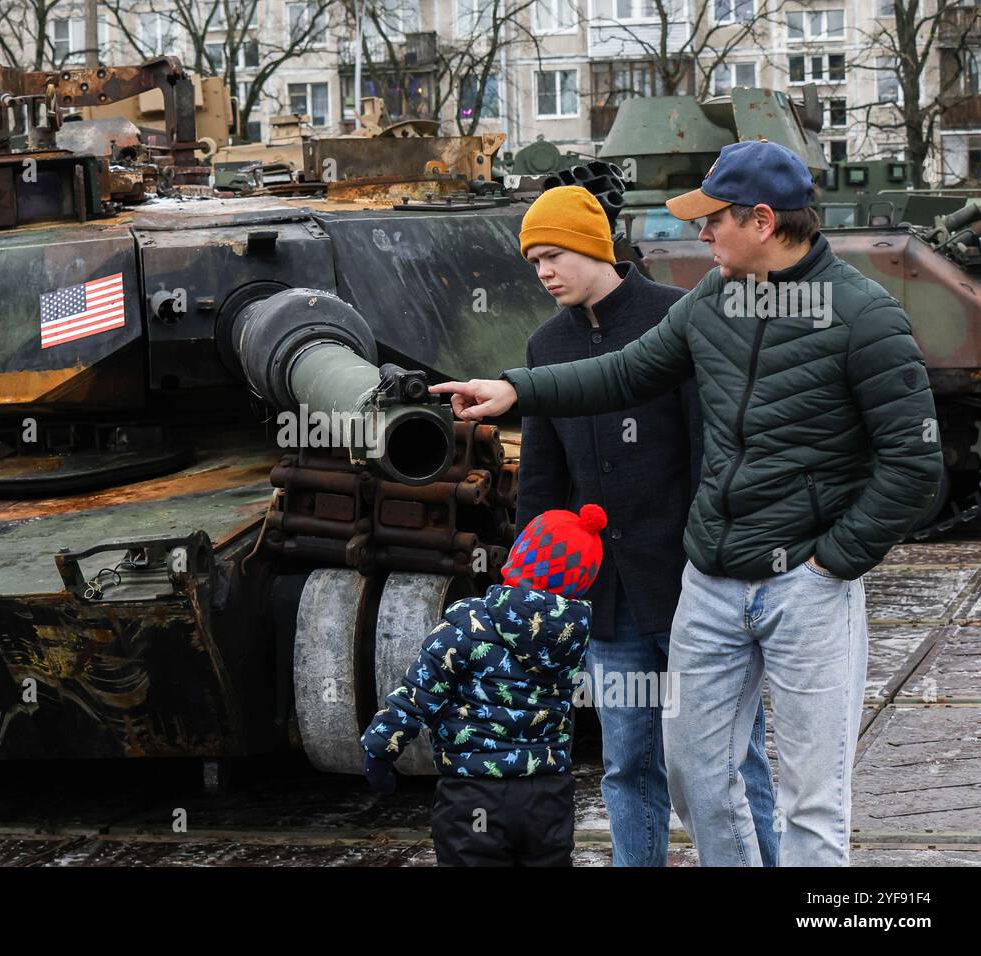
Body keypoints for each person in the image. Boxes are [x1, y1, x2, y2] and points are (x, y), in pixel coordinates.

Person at [429, 140, 944, 866]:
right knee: (695, 775)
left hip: (807, 591)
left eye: (712, 220)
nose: (699, 234)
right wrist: (519, 389)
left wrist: (831, 562)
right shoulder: (711, 302)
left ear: (762, 221)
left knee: (811, 801)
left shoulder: (865, 317)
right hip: (707, 584)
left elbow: (915, 465)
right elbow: (625, 372)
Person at [514, 184, 777, 867]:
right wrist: (535, 593)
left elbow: (709, 452)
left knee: (731, 759)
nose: (543, 271)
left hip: (695, 588)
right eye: (533, 260)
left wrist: (713, 565)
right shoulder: (545, 347)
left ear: (593, 246)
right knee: (628, 763)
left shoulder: (676, 319)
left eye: (553, 254)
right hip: (609, 602)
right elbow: (541, 482)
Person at [361, 505, 606, 865]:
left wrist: (381, 748)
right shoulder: (574, 639)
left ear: (520, 557)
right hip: (547, 797)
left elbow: (420, 692)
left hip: (474, 793)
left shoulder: (469, 619)